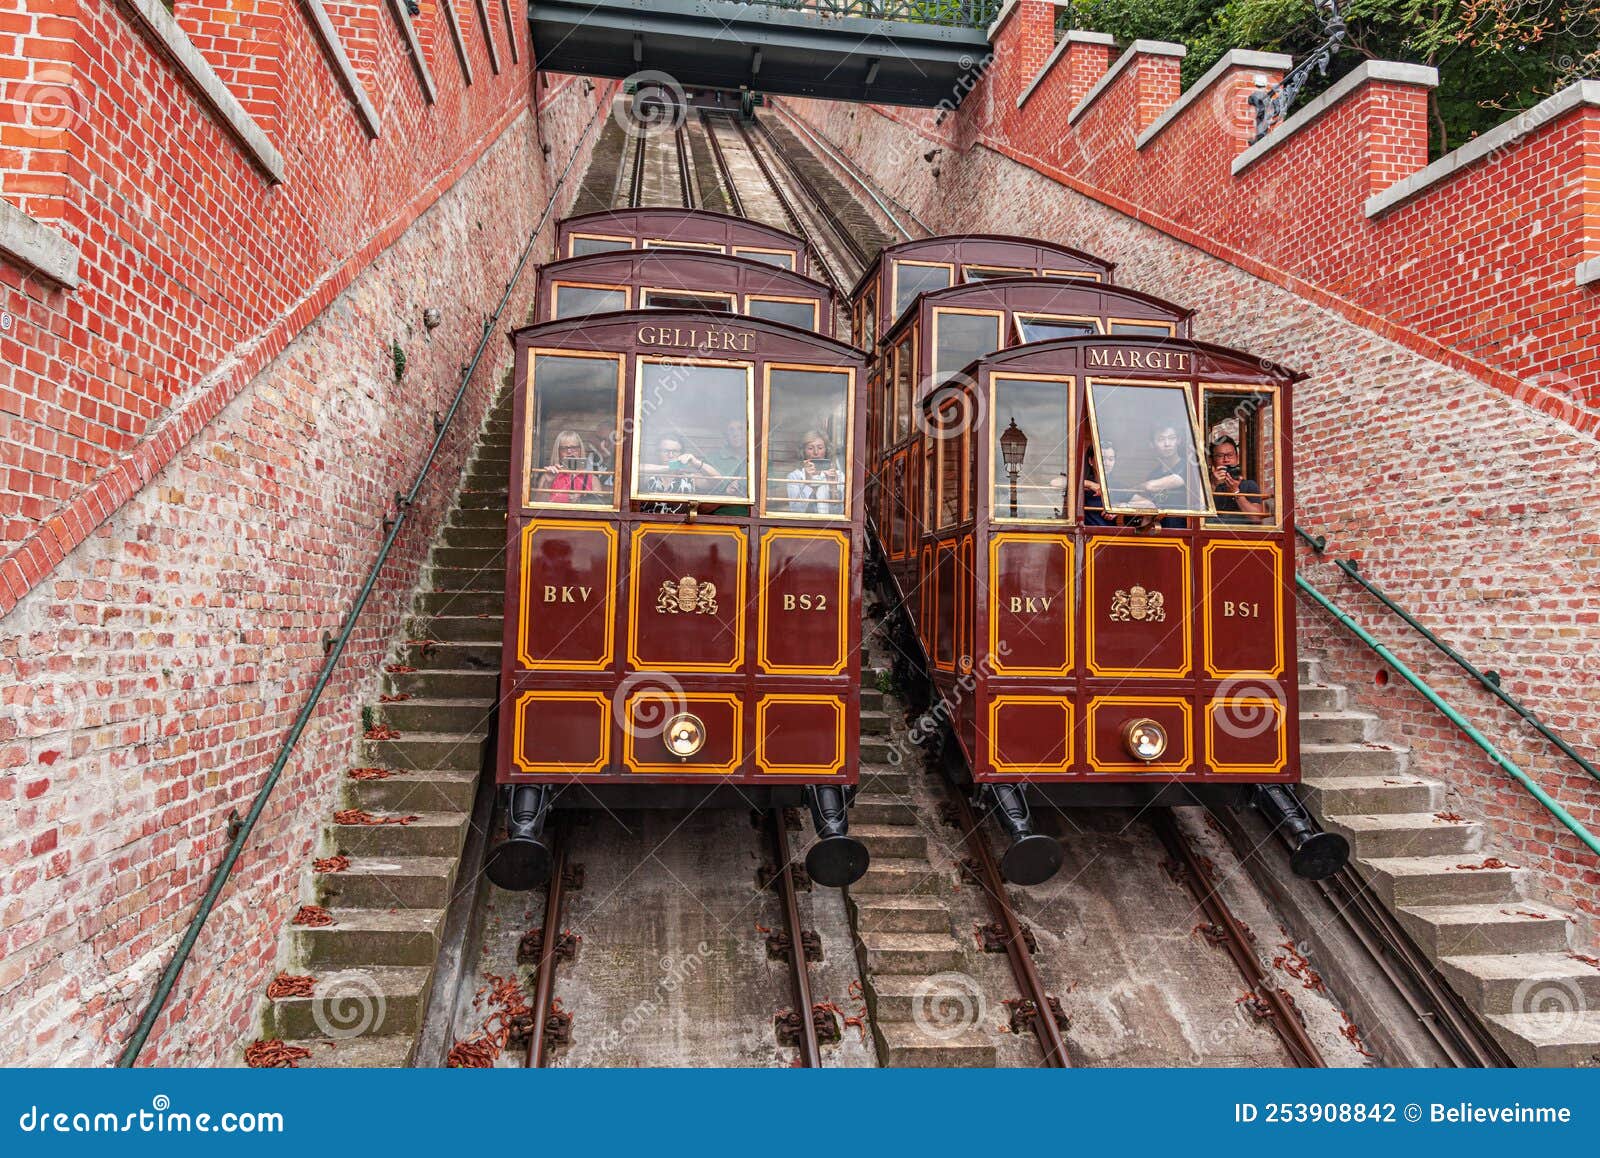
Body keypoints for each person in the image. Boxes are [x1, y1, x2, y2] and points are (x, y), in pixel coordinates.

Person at [639, 432, 722, 497]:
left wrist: (695, 462)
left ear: (681, 453)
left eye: (675, 451)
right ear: (657, 453)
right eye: (665, 451)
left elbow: (718, 481)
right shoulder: (649, 476)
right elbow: (633, 468)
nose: (670, 455)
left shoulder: (691, 479)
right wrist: (670, 467)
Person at [533, 429, 602, 504]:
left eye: (574, 448)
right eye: (564, 448)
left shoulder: (592, 479)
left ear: (580, 450)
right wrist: (548, 483)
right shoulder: (548, 476)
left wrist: (581, 499)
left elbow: (599, 510)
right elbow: (538, 505)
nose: (569, 451)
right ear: (558, 452)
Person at [1208, 436, 1266, 524]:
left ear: (1237, 457)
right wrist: (1213, 485)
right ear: (1211, 461)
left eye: (1230, 455)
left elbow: (1256, 518)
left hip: (1243, 533)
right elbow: (1196, 516)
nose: (1226, 460)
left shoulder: (1249, 485)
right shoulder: (1205, 484)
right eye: (1220, 456)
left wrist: (1236, 492)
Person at [785, 430, 843, 514]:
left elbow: (840, 514)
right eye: (810, 448)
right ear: (803, 451)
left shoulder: (838, 475)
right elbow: (796, 511)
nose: (816, 452)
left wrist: (833, 488)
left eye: (820, 448)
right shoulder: (794, 476)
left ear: (826, 450)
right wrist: (808, 483)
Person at [1083, 443, 1118, 526]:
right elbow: (1055, 482)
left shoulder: (1117, 486)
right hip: (1085, 535)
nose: (1106, 463)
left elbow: (1148, 504)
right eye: (1101, 458)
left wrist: (1120, 507)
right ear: (1090, 461)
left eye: (1111, 459)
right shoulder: (1082, 482)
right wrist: (1090, 484)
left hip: (1109, 536)